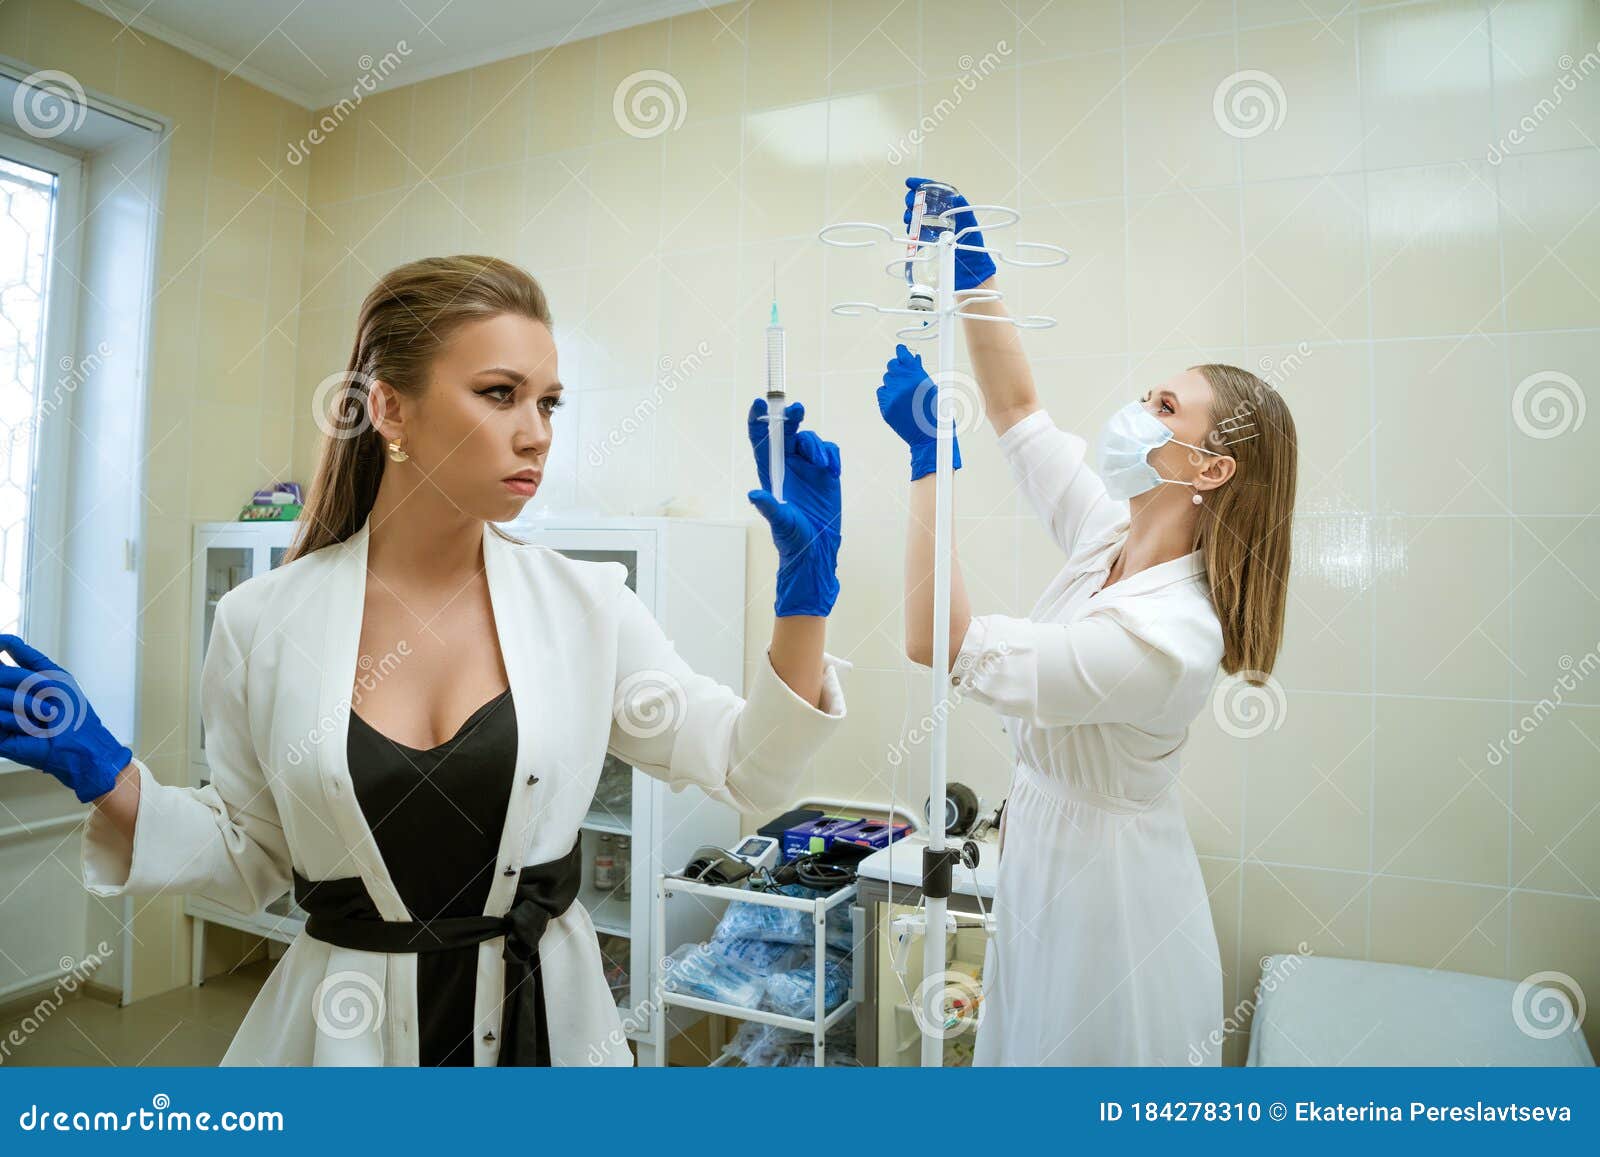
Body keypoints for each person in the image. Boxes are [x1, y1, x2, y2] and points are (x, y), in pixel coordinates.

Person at [0, 255, 850, 1067]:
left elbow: (751, 771)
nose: (536, 433)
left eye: (549, 403)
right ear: (391, 410)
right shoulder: (264, 620)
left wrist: (803, 599)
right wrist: (108, 774)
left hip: (545, 1029)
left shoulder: (588, 607)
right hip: (348, 1033)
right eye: (499, 395)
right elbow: (251, 855)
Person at [876, 179, 1298, 1065]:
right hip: (1044, 856)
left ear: (1211, 469)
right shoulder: (1109, 530)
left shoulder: (1169, 636)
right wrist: (972, 275)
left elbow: (936, 642)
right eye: (1151, 394)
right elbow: (1018, 413)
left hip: (1110, 901)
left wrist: (927, 464)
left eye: (1166, 409)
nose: (1139, 411)